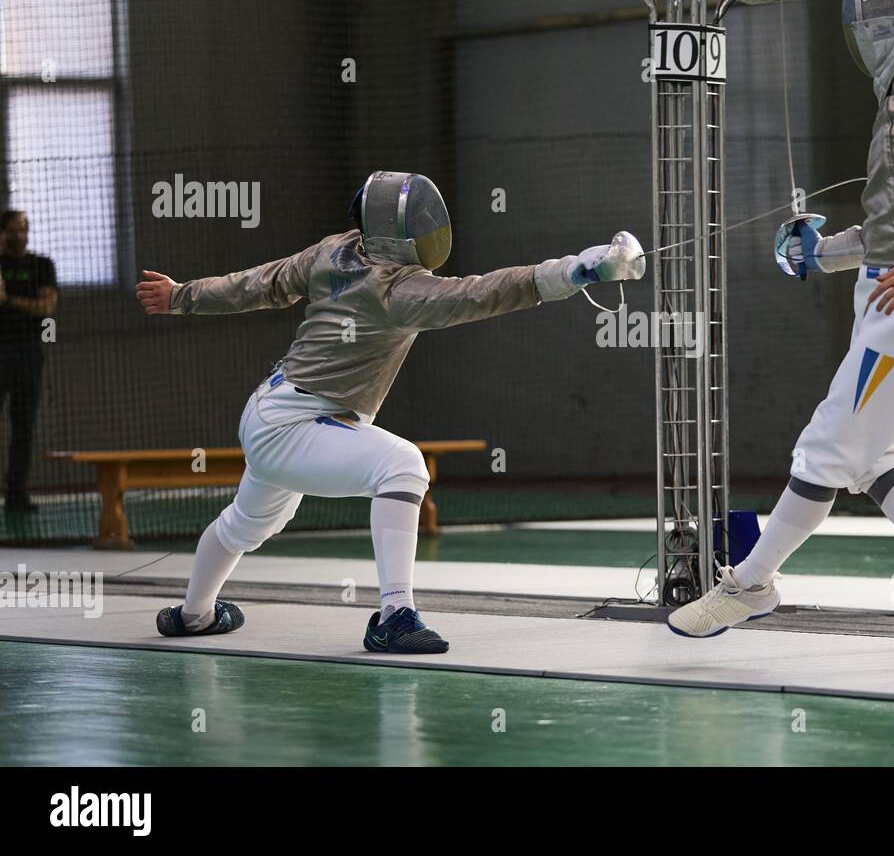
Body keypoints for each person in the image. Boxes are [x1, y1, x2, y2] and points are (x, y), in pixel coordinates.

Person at [136, 171, 644, 653]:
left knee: (246, 524)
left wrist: (182, 296)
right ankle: (394, 617)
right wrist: (580, 269)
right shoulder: (400, 292)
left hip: (274, 412)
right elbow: (484, 291)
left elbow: (257, 283)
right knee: (401, 465)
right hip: (296, 423)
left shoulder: (332, 251)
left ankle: (194, 616)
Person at [668, 0, 894, 664]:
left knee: (825, 447)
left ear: (885, 27)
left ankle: (751, 582)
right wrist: (818, 253)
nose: (858, 40)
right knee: (874, 456)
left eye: (863, 28)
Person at [0, 209, 58, 513]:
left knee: (24, 426)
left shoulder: (41, 265)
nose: (19, 234)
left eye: (24, 228)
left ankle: (16, 494)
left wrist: (8, 300)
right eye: (12, 229)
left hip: (28, 353)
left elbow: (46, 307)